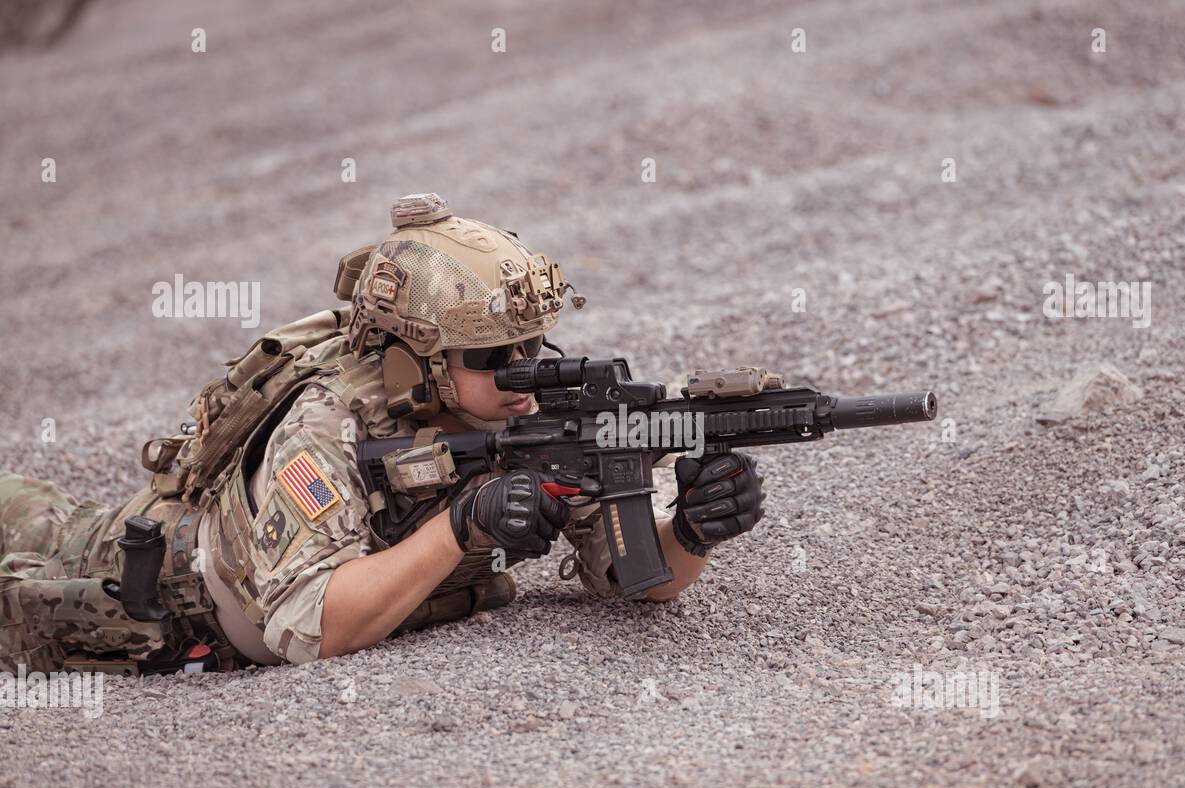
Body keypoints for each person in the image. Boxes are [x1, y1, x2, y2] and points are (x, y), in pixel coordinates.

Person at [0, 193, 765, 674]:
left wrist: (691, 533)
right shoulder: (329, 423)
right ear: (421, 360)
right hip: (143, 583)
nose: (523, 373)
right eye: (491, 357)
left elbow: (628, 576)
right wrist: (463, 526)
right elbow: (306, 628)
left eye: (534, 348)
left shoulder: (534, 414)